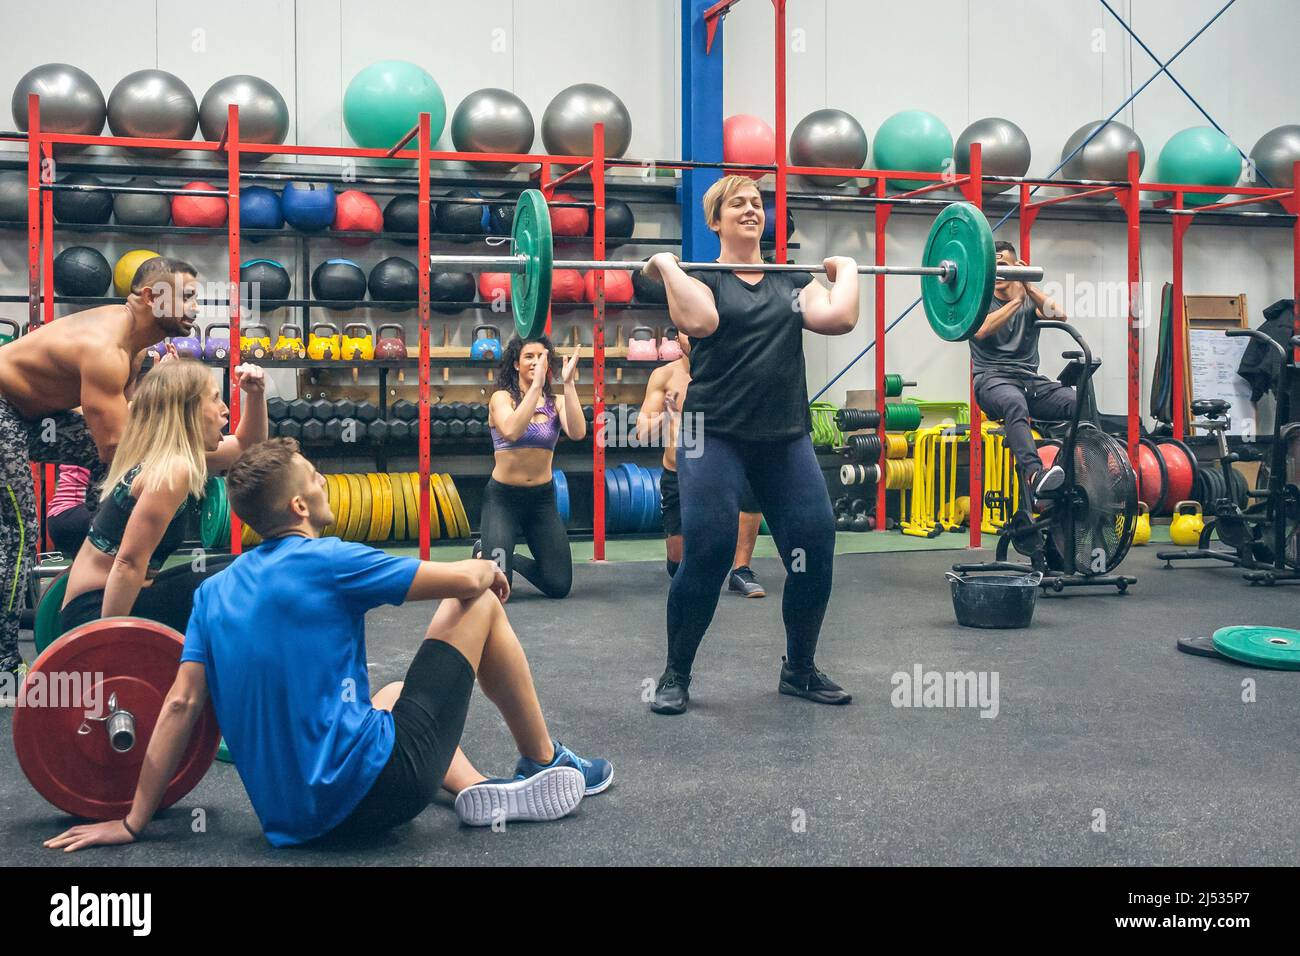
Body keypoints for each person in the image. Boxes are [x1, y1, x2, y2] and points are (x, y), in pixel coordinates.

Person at [44, 438, 612, 852]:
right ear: (297, 507)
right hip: (380, 791)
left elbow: (179, 705)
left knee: (392, 693)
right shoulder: (331, 559)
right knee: (477, 605)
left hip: (292, 821)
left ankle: (481, 791)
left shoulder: (212, 593)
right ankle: (544, 759)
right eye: (315, 477)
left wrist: (133, 820)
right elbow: (464, 582)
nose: (322, 484)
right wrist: (487, 572)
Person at [640, 174, 859, 715]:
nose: (750, 209)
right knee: (710, 548)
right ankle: (676, 672)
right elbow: (700, 320)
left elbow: (841, 316)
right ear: (715, 220)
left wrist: (848, 270)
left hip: (782, 437)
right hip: (712, 434)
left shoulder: (792, 279)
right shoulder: (705, 278)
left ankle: (799, 670)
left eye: (757, 203)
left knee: (815, 547)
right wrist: (668, 264)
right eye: (736, 203)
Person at [0, 255, 200, 682]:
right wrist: (167, 482)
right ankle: (3, 667)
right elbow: (117, 447)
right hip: (3, 410)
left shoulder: (136, 347)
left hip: (35, 417)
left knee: (123, 475)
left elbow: (126, 432)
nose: (196, 308)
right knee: (19, 534)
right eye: (185, 297)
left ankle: (95, 576)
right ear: (150, 297)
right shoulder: (105, 348)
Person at [57, 358, 268, 636]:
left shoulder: (171, 455)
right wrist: (108, 640)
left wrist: (255, 393)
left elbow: (246, 446)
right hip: (96, 612)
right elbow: (128, 563)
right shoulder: (173, 471)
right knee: (249, 579)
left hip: (108, 598)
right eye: (216, 399)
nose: (225, 410)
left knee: (249, 563)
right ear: (188, 411)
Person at [638, 335, 766, 597]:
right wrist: (666, 416)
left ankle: (741, 570)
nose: (695, 337)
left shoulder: (730, 370)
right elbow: (642, 433)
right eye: (688, 333)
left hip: (722, 464)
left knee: (752, 488)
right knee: (679, 563)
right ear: (677, 339)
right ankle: (686, 563)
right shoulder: (664, 377)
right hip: (679, 474)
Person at [476, 335, 585, 599]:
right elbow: (512, 430)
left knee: (559, 586)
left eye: (542, 356)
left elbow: (578, 431)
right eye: (529, 356)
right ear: (515, 364)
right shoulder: (501, 398)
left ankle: (507, 556)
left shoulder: (555, 402)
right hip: (503, 499)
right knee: (500, 590)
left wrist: (568, 384)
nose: (536, 361)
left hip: (542, 501)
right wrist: (535, 387)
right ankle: (486, 549)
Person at [970, 241, 1072, 499]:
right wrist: (1016, 301)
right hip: (991, 381)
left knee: (1078, 401)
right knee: (1015, 403)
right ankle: (1035, 474)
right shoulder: (978, 301)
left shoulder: (1029, 298)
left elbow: (1060, 315)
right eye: (993, 268)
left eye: (1004, 266)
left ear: (1018, 267)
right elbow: (981, 330)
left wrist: (1027, 286)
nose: (998, 273)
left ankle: (1078, 468)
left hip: (1030, 382)